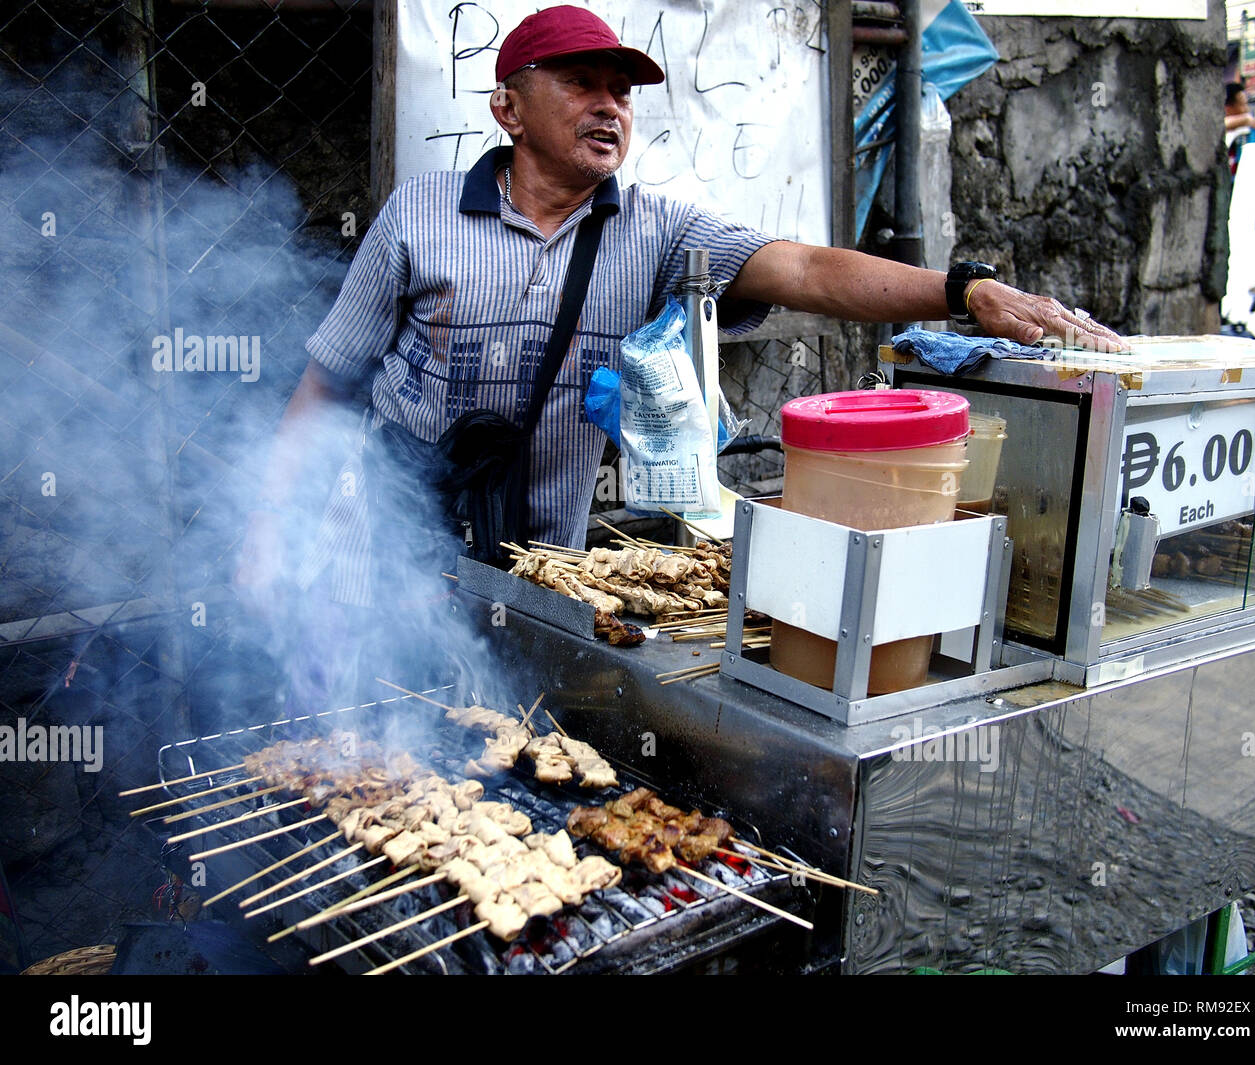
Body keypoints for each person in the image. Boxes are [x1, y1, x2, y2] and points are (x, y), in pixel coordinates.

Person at [236, 5, 1122, 700]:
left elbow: (807, 267)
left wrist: (960, 288)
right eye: (581, 84)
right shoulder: (418, 217)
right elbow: (327, 386)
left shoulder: (656, 231)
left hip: (538, 580)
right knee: (371, 760)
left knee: (500, 758)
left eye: (620, 93)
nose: (608, 107)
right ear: (508, 106)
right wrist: (270, 531)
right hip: (385, 558)